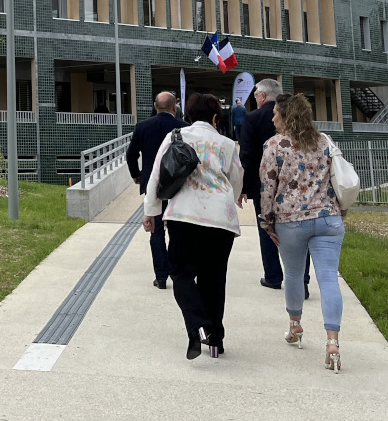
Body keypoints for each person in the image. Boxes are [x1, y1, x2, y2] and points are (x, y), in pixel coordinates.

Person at [142, 93, 243, 360]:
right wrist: (228, 199)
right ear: (215, 117)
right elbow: (236, 180)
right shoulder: (227, 144)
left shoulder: (176, 136)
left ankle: (197, 325)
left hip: (184, 215)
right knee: (214, 278)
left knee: (181, 274)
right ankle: (215, 340)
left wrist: (151, 211)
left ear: (187, 115)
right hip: (220, 220)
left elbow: (156, 175)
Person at [259, 94, 346, 372]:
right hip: (328, 218)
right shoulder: (325, 142)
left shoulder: (274, 145)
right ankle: (332, 343)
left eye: (276, 113)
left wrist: (266, 221)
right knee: (329, 278)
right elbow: (338, 177)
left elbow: (267, 187)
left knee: (294, 274)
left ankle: (295, 327)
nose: (273, 117)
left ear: (287, 116)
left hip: (291, 220)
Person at [237, 79, 309, 295]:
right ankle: (302, 279)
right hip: (295, 184)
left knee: (266, 229)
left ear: (262, 96)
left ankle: (273, 276)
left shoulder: (252, 118)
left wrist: (242, 187)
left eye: (256, 96)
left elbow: (246, 155)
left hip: (262, 184)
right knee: (298, 230)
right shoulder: (296, 116)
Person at [125, 92, 186, 289]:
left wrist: (137, 175)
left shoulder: (142, 127)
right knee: (177, 231)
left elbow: (131, 154)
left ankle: (161, 277)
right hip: (177, 186)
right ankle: (177, 273)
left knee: (156, 230)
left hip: (153, 185)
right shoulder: (184, 128)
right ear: (174, 107)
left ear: (155, 106)